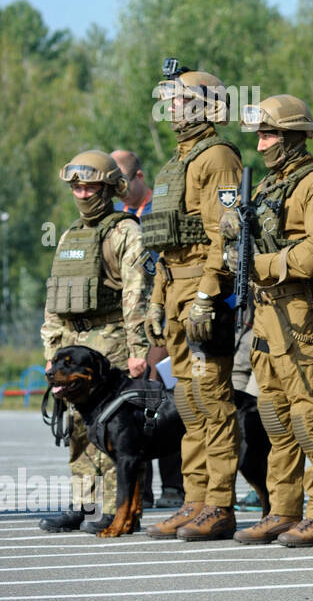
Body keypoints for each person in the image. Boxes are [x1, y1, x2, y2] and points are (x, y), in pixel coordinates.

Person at [223, 95, 313, 547]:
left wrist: (259, 264)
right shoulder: (267, 186)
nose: (261, 144)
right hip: (267, 314)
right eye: (259, 135)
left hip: (304, 315)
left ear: (295, 135)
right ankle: (283, 508)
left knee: (311, 415)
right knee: (275, 417)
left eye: (269, 134)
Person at [140, 64, 243, 541]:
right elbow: (164, 246)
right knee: (187, 399)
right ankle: (195, 500)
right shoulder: (174, 164)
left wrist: (206, 293)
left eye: (182, 98)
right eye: (171, 99)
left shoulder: (217, 156)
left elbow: (226, 233)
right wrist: (157, 300)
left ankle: (219, 505)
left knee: (212, 400)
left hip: (203, 291)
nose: (174, 107)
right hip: (175, 289)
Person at [38, 152, 147, 532]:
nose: (83, 194)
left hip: (111, 339)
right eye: (77, 187)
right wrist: (51, 352)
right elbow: (55, 299)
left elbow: (137, 295)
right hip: (72, 341)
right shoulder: (70, 236)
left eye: (91, 186)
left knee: (113, 427)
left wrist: (138, 350)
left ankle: (114, 508)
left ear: (110, 187)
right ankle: (83, 503)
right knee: (76, 427)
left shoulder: (126, 231)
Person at [111, 147, 184, 510]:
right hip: (125, 327)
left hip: (163, 322)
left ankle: (174, 486)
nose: (116, 185)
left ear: (138, 177)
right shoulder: (113, 218)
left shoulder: (160, 212)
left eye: (121, 178)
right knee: (132, 408)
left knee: (162, 400)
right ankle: (141, 490)